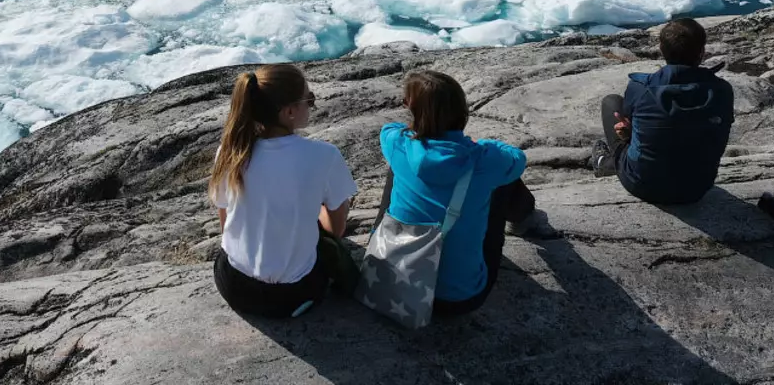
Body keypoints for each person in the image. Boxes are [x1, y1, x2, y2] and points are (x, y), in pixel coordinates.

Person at [374, 70, 537, 316]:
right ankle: (523, 219)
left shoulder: (397, 141)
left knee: (398, 166)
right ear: (462, 111)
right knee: (501, 179)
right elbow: (518, 158)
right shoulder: (483, 159)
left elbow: (392, 129)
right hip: (458, 299)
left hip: (393, 284)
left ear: (412, 110)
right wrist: (487, 146)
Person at [210, 64, 359, 318]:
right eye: (309, 100)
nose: (311, 105)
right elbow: (336, 230)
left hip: (234, 286)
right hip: (293, 296)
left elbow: (226, 226)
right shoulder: (324, 156)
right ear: (289, 111)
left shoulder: (231, 152)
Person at [591, 18, 735, 205]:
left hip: (642, 185)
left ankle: (605, 163)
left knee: (611, 102)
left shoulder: (641, 88)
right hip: (697, 189)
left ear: (661, 50)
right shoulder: (722, 90)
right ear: (702, 52)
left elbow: (633, 119)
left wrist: (631, 133)